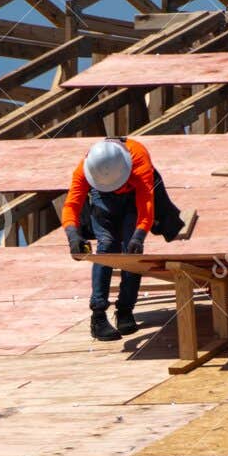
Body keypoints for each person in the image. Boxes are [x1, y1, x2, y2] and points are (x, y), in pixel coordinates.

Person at [62, 137, 154, 341]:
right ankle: (98, 315)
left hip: (132, 197)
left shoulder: (139, 159)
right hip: (102, 196)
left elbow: (146, 205)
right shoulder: (86, 168)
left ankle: (125, 309)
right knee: (107, 246)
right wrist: (73, 235)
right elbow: (71, 206)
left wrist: (139, 236)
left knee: (132, 253)